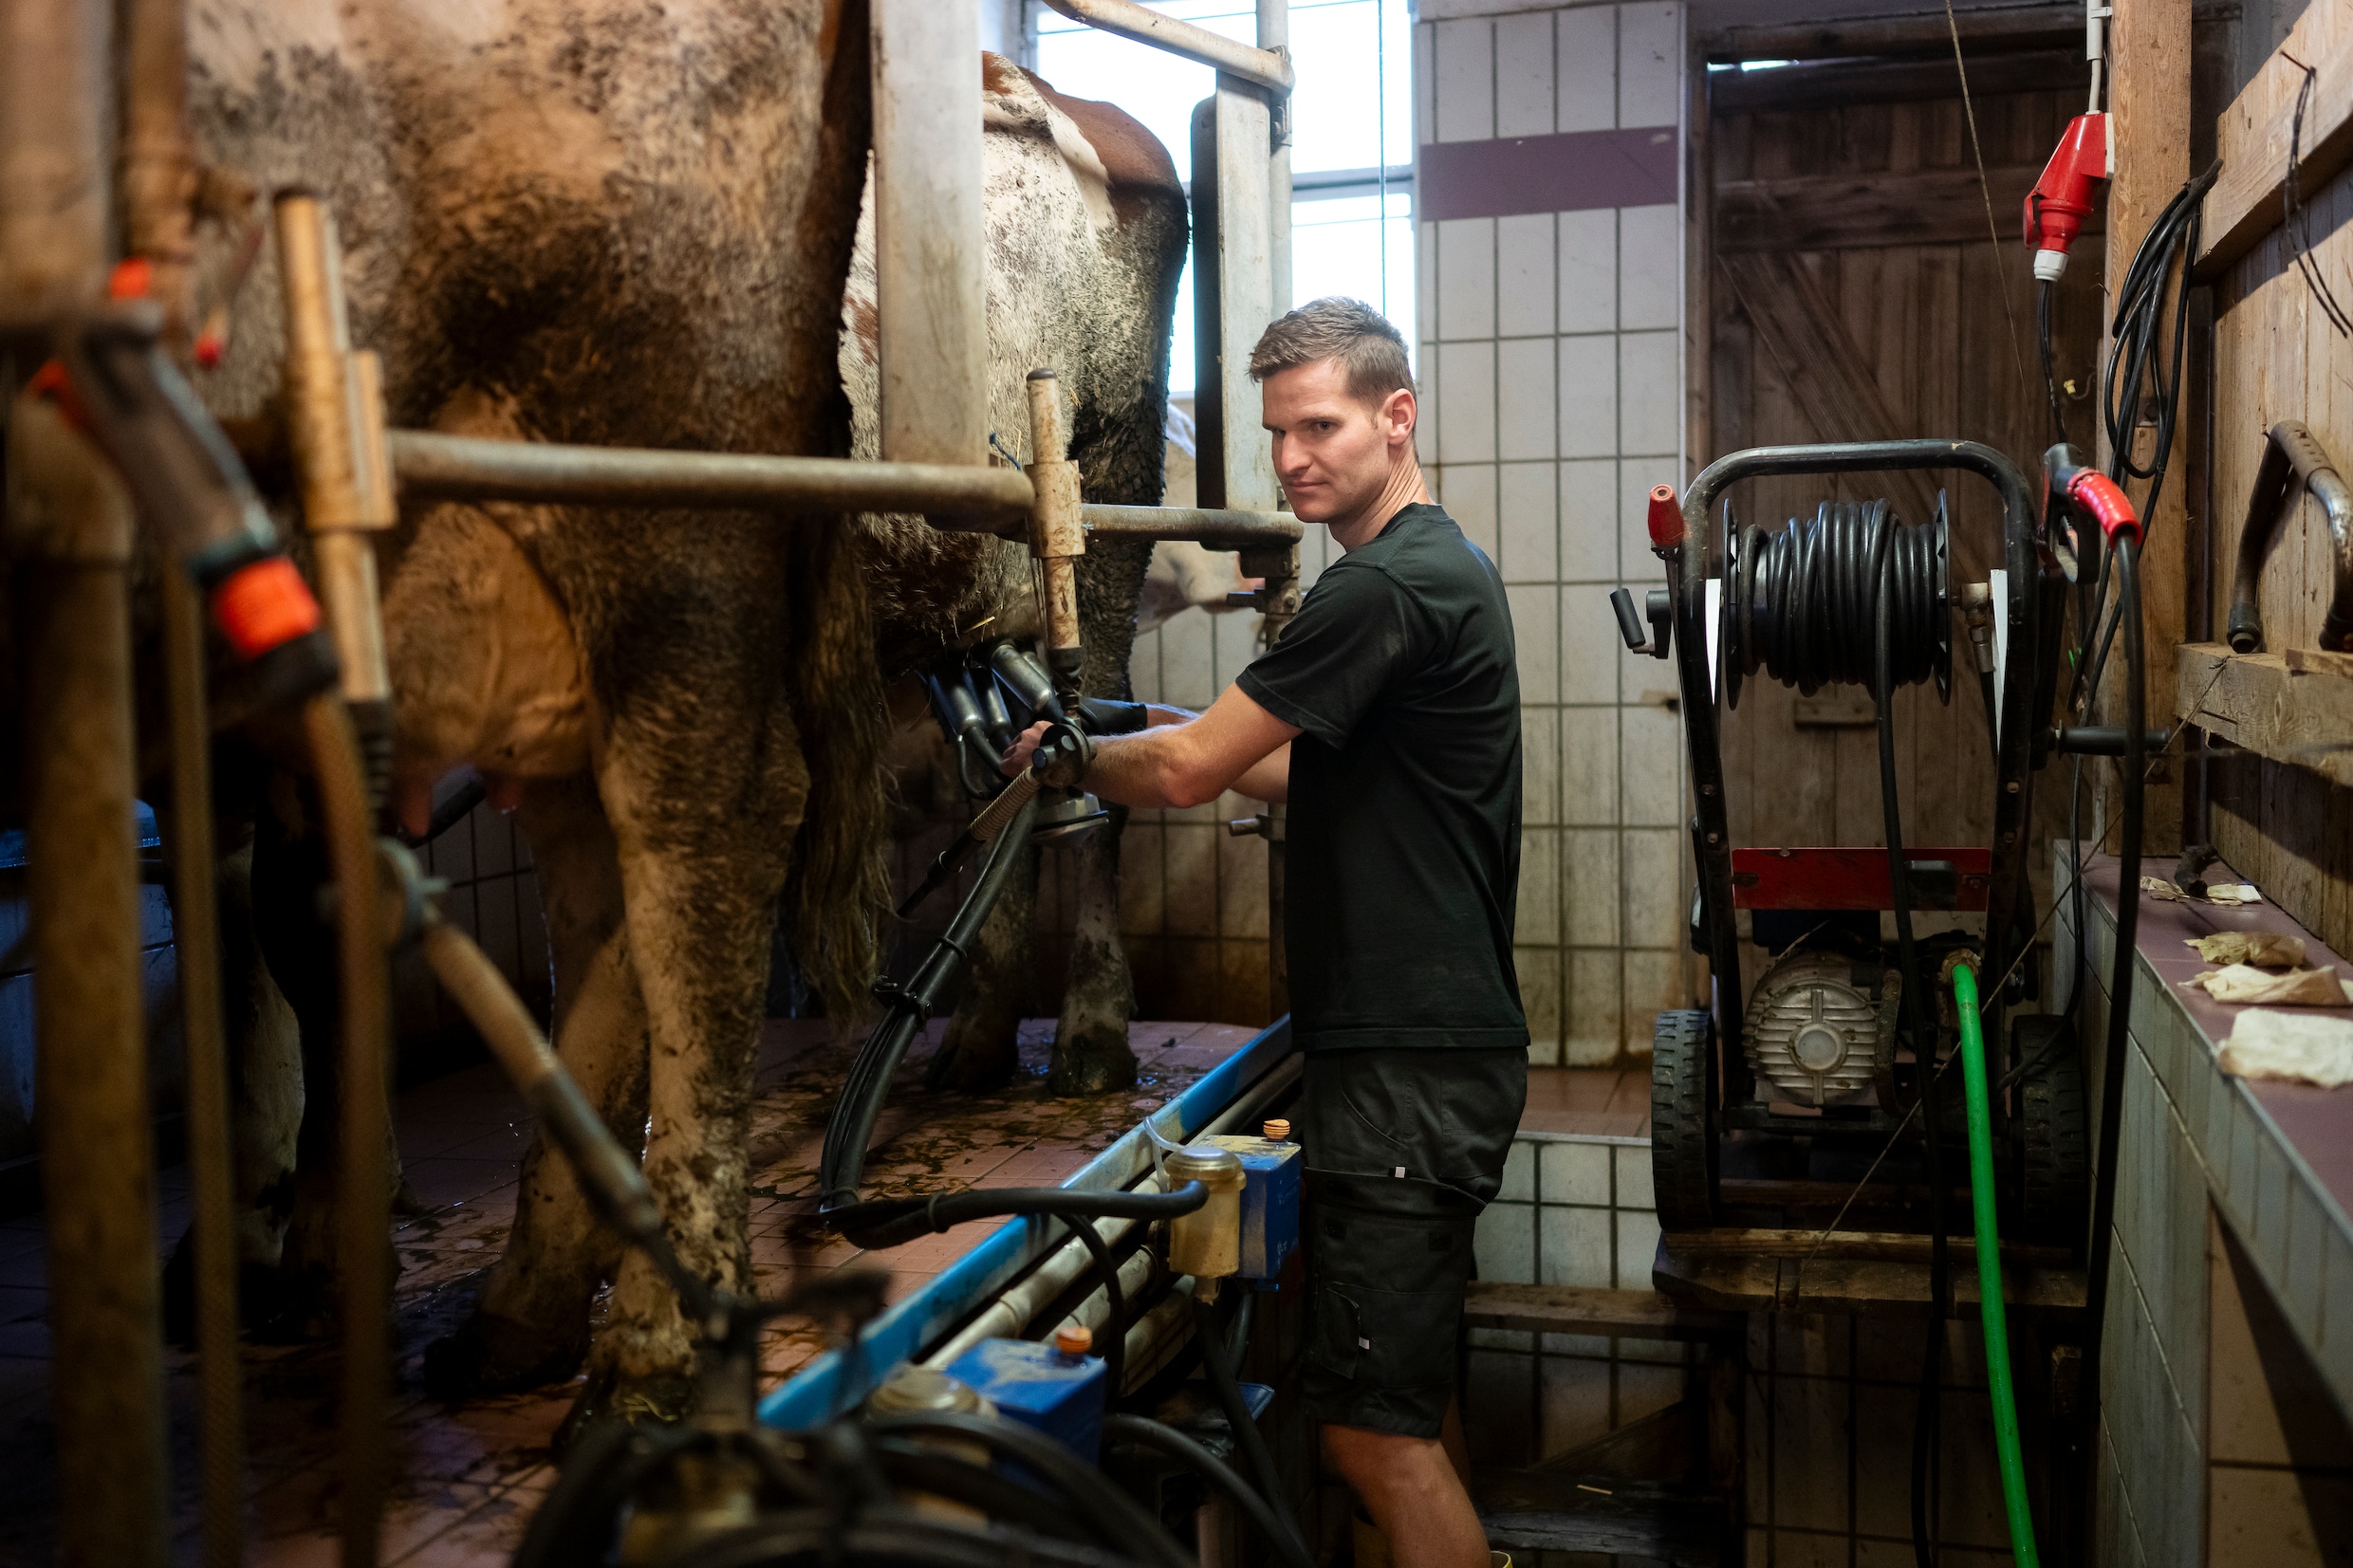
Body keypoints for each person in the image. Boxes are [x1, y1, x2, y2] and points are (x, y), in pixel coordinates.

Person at [1001, 297, 1527, 1568]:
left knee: (1370, 1444)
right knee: (1412, 1409)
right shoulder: (1432, 568)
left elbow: (1184, 773)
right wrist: (1164, 725)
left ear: (1397, 418)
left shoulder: (1385, 585)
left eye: (1322, 425)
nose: (1294, 457)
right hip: (1424, 1053)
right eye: (1278, 432)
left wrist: (1068, 761)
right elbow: (1289, 771)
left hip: (1408, 1069)